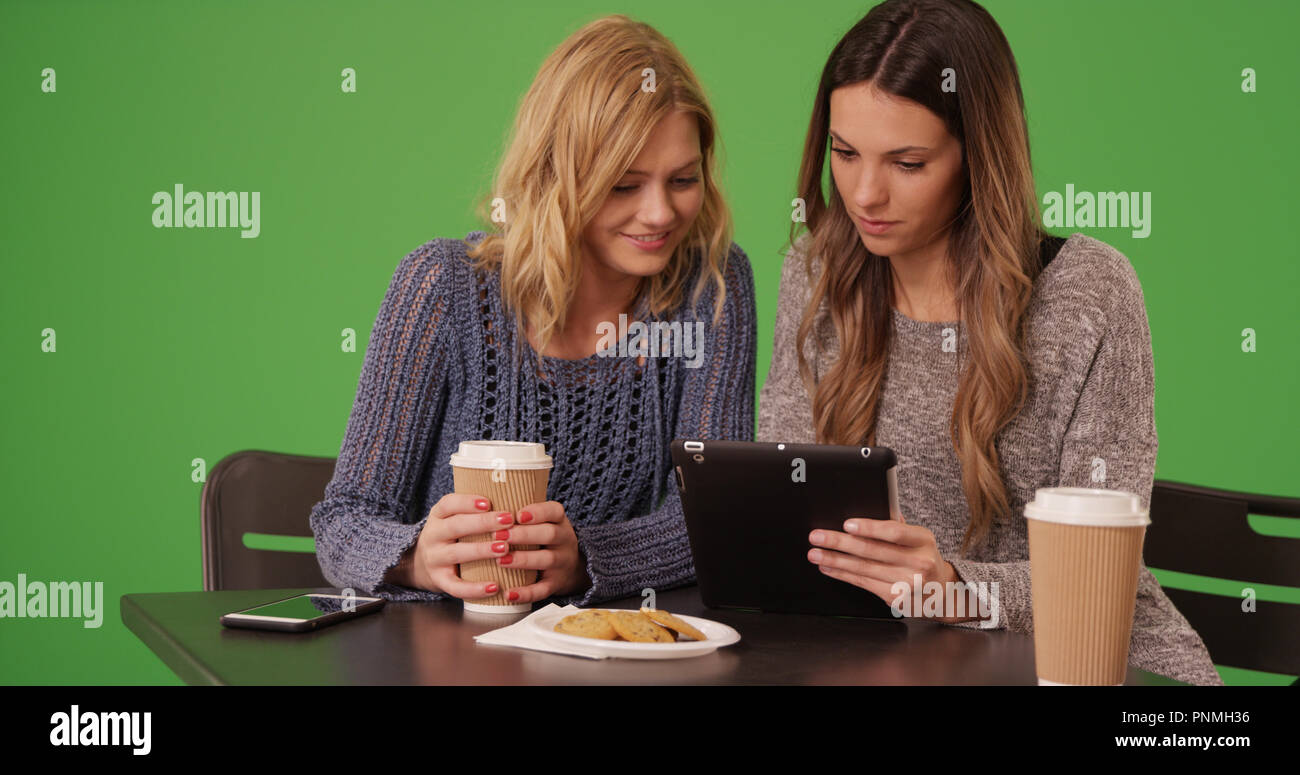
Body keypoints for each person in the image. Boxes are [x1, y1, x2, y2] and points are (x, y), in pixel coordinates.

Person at [757, 0, 1222, 685]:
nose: (863, 193)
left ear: (979, 158)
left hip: (1096, 665)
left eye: (908, 162)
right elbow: (780, 513)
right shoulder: (817, 275)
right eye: (845, 152)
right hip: (899, 663)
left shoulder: (1089, 293)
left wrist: (949, 585)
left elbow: (1101, 577)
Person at [310, 15, 755, 608]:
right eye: (624, 185)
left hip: (605, 657)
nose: (659, 214)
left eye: (683, 179)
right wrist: (419, 558)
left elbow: (717, 522)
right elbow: (343, 522)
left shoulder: (712, 289)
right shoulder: (445, 287)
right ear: (557, 176)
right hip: (441, 653)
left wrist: (587, 561)